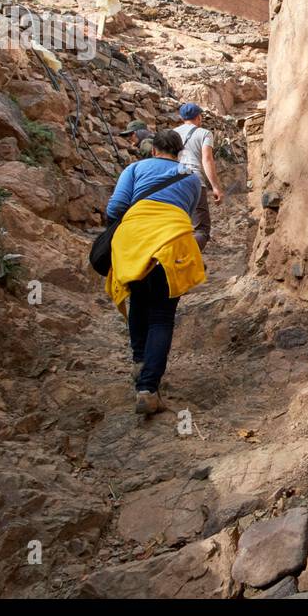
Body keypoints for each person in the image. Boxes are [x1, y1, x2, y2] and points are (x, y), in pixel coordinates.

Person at [104, 129, 206, 416]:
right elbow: (186, 212)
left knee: (138, 301)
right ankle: (148, 389)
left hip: (135, 243)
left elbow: (115, 208)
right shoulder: (191, 179)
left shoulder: (135, 168)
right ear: (180, 152)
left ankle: (139, 363)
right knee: (161, 317)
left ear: (153, 150)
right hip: (172, 244)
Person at [173, 102, 224, 249]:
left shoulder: (173, 133)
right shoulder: (204, 133)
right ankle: (188, 259)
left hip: (173, 181)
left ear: (182, 117)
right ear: (198, 117)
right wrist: (215, 187)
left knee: (177, 226)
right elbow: (207, 160)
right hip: (194, 181)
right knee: (201, 229)